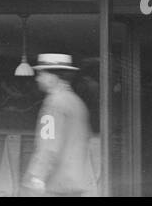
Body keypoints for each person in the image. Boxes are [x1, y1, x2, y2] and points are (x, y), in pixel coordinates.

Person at [22, 54, 97, 197]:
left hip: (55, 184)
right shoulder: (77, 102)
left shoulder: (53, 103)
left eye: (41, 74)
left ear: (53, 77)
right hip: (75, 183)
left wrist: (37, 176)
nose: (37, 78)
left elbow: (48, 145)